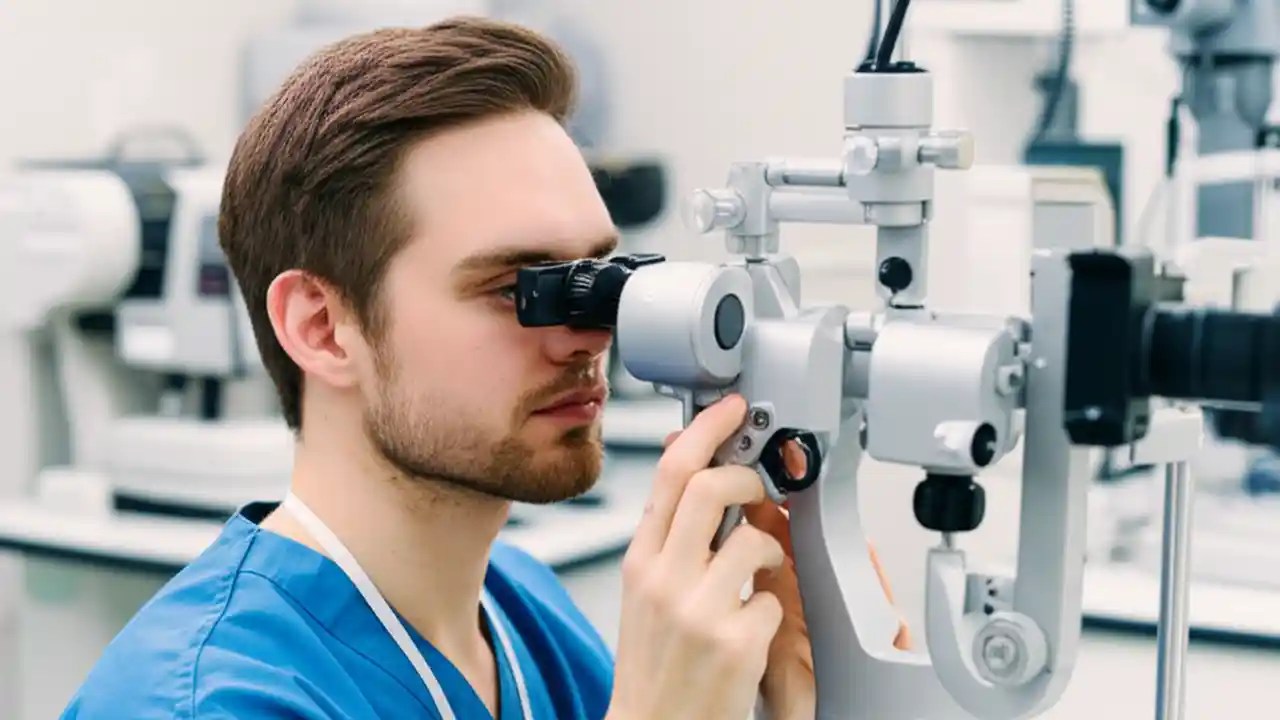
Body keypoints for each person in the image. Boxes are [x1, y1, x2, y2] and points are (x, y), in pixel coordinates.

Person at [62, 16, 905, 720]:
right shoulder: (204, 702)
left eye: (602, 284)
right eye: (520, 289)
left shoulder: (522, 611)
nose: (588, 338)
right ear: (321, 328)